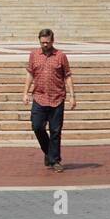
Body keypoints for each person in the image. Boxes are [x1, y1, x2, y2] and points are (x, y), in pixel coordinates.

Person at [22, 28, 76, 173]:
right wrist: (25, 92)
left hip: (57, 98)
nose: (44, 45)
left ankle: (55, 161)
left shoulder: (60, 56)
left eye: (47, 42)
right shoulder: (34, 55)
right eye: (42, 42)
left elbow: (68, 76)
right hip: (39, 97)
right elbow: (30, 74)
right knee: (37, 127)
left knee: (55, 131)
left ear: (52, 41)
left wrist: (72, 96)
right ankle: (49, 152)